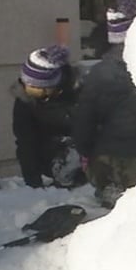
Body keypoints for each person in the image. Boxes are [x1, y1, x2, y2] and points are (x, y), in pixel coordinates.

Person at [73, 0, 136, 208]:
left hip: (110, 163)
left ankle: (111, 186)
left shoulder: (101, 73)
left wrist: (85, 154)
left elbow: (84, 123)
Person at [11, 45, 85, 189]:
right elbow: (25, 141)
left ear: (54, 85)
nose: (32, 94)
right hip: (49, 156)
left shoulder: (82, 92)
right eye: (29, 88)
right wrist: (33, 183)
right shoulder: (25, 100)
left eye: (37, 91)